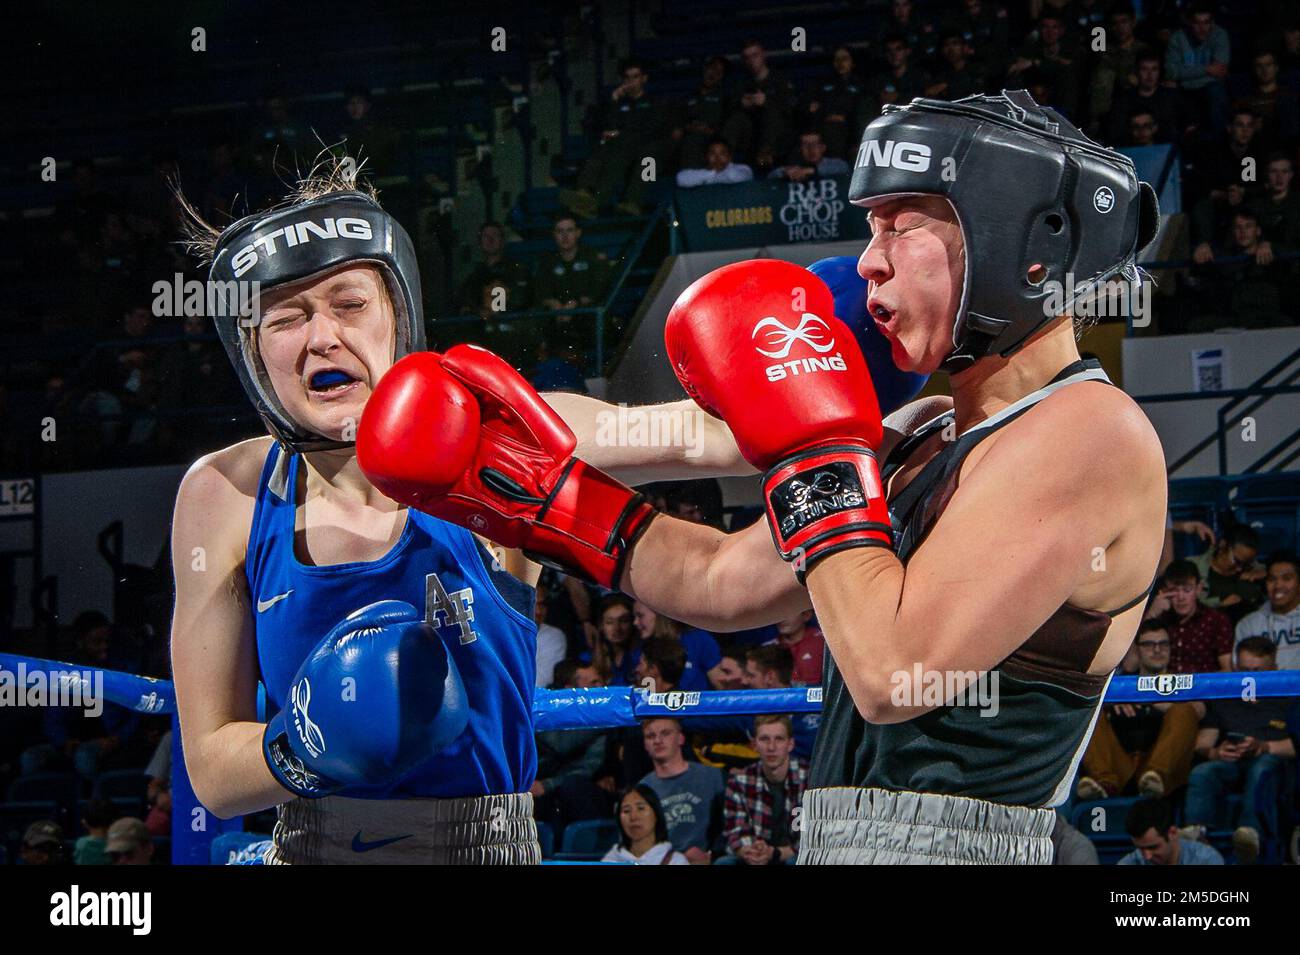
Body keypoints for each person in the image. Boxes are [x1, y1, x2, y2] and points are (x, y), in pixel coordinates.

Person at [355, 91, 1165, 865]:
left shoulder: (1091, 434)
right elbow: (718, 578)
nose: (869, 263)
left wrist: (816, 447)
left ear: (1026, 242)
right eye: (869, 228)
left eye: (902, 226)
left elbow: (892, 668)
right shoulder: (922, 432)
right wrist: (546, 497)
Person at [172, 160, 542, 864]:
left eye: (349, 303)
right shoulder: (224, 492)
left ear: (398, 315)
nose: (321, 338)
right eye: (285, 317)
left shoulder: (495, 444)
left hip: (483, 848)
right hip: (310, 843)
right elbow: (214, 773)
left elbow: (682, 441)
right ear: (252, 352)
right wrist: (309, 743)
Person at [1186, 637, 1297, 864]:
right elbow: (1202, 743)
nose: (1250, 676)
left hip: (1274, 765)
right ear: (1236, 667)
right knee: (1203, 772)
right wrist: (1216, 752)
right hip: (1231, 764)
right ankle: (1195, 837)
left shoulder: (1288, 695)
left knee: (1263, 766)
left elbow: (1296, 746)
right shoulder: (1226, 696)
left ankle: (1249, 837)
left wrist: (1264, 747)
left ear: (1273, 668)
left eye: (1257, 671)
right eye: (1244, 670)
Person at [1077, 617, 1201, 800]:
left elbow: (1199, 710)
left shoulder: (1184, 682)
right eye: (1149, 644)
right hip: (1121, 767)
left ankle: (1154, 777)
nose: (1157, 650)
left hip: (1164, 771)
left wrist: (1157, 702)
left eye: (1163, 644)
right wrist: (1111, 701)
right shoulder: (1121, 684)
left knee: (1184, 710)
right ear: (1137, 649)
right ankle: (1105, 782)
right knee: (1091, 711)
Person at [719, 715, 807, 865]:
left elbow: (814, 836)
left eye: (779, 739)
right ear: (754, 744)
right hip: (755, 856)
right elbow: (735, 832)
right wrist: (750, 851)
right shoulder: (740, 782)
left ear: (790, 744)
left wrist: (776, 853)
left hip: (793, 855)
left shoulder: (809, 778)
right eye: (764, 739)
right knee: (725, 863)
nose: (771, 747)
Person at [636, 718, 725, 863]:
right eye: (650, 736)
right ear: (645, 744)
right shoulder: (640, 791)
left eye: (665, 733)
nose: (657, 740)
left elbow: (731, 826)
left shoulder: (713, 777)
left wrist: (712, 855)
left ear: (681, 738)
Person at [1146, 560, 1234, 672]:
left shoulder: (1216, 620)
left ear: (1199, 589)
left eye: (1187, 590)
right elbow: (1131, 664)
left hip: (1204, 687)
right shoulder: (1159, 618)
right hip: (1163, 687)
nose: (1181, 597)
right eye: (1174, 590)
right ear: (1164, 591)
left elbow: (1227, 670)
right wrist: (1152, 613)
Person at [1234, 552, 1300, 670]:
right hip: (1263, 688)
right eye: (1272, 579)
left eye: (1287, 578)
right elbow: (1240, 671)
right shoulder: (1249, 624)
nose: (1278, 585)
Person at [1117, 798, 1224, 865]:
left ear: (1172, 833)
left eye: (1153, 847)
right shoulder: (1130, 862)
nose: (1147, 856)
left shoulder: (1206, 860)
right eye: (1140, 849)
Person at [601, 784, 688, 865]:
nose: (633, 817)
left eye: (641, 808)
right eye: (626, 811)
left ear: (656, 813)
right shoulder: (610, 861)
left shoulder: (675, 861)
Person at [675, 138, 754, 188]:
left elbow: (734, 177)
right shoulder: (704, 172)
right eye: (712, 153)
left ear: (729, 157)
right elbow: (681, 179)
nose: (717, 158)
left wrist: (715, 173)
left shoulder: (743, 169)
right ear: (706, 157)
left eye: (722, 153)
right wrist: (711, 173)